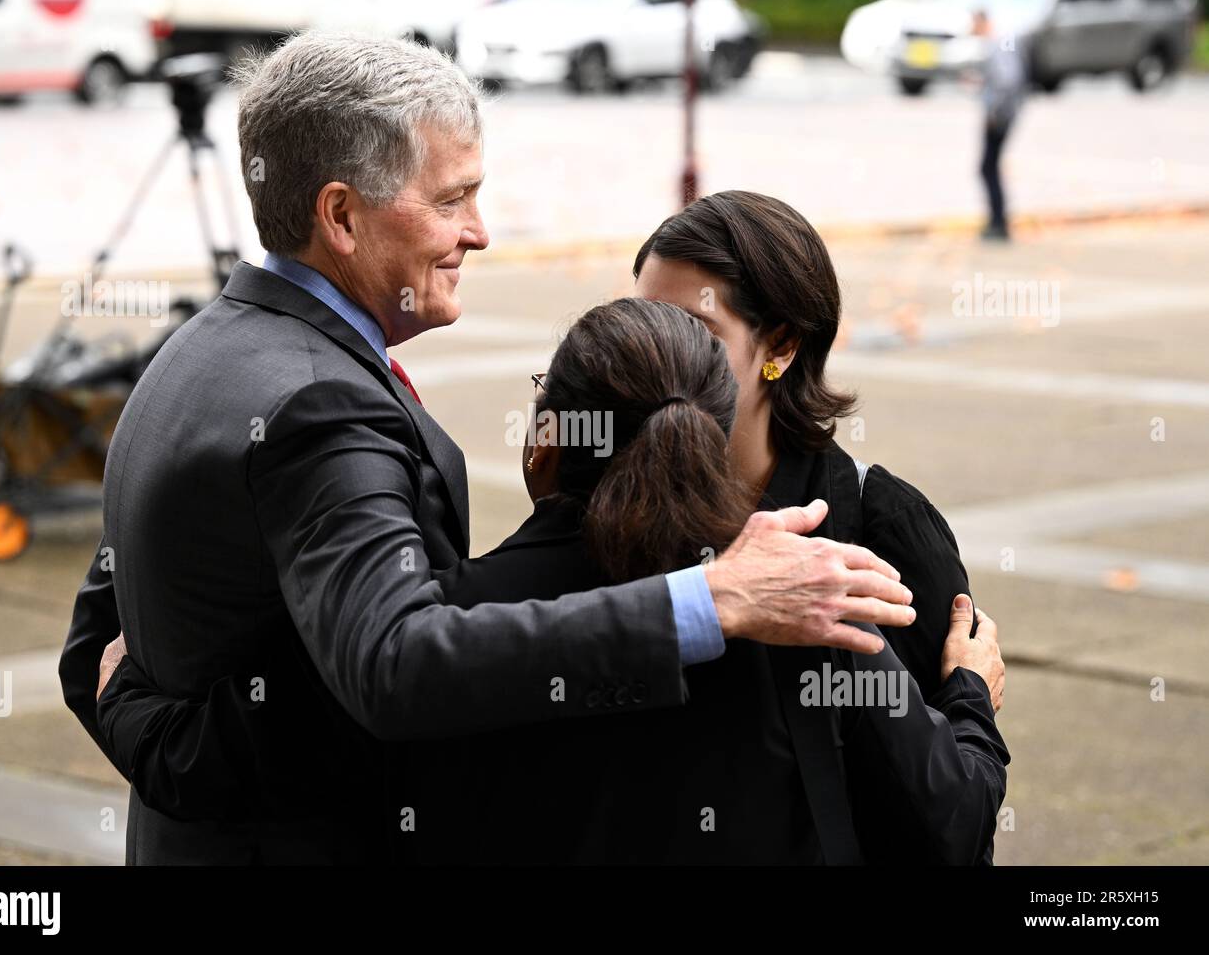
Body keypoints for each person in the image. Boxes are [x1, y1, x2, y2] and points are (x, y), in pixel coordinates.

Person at [58, 35, 914, 865]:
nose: (479, 231)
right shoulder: (320, 406)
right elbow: (395, 665)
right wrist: (704, 602)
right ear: (342, 216)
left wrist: (145, 726)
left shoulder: (197, 351)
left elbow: (102, 629)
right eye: (450, 199)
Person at [95, 298, 1008, 864]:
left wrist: (127, 692)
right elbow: (953, 826)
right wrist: (967, 695)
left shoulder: (447, 627)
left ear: (544, 442)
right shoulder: (808, 605)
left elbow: (220, 760)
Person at [631, 189, 1007, 860]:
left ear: (779, 345)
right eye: (643, 327)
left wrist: (967, 704)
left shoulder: (881, 524)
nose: (656, 361)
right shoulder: (623, 506)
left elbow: (948, 821)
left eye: (695, 332)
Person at [971, 9, 1027, 241]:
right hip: (1004, 114)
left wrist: (995, 111)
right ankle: (997, 221)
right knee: (989, 167)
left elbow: (1008, 79)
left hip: (1000, 117)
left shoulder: (997, 45)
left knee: (987, 167)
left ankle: (998, 222)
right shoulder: (999, 44)